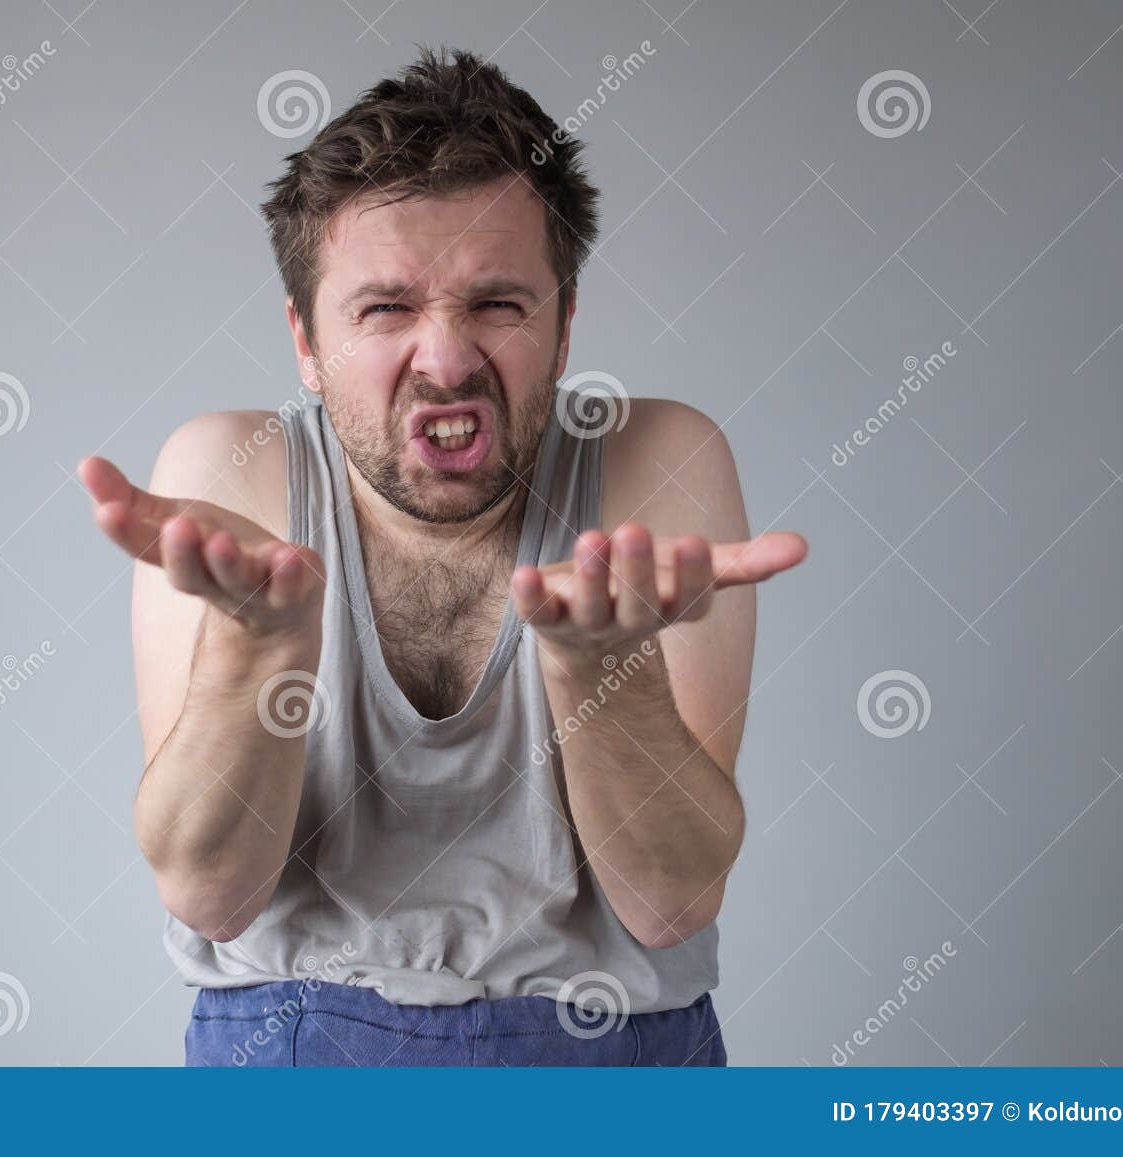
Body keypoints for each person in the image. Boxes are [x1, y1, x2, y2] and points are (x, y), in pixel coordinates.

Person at [79, 46, 807, 1066]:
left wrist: (605, 670)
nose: (448, 356)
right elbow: (211, 892)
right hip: (293, 1051)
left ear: (562, 331)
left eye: (498, 304)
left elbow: (670, 902)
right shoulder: (229, 473)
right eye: (385, 309)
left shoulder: (658, 462)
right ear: (305, 339)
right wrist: (259, 650)